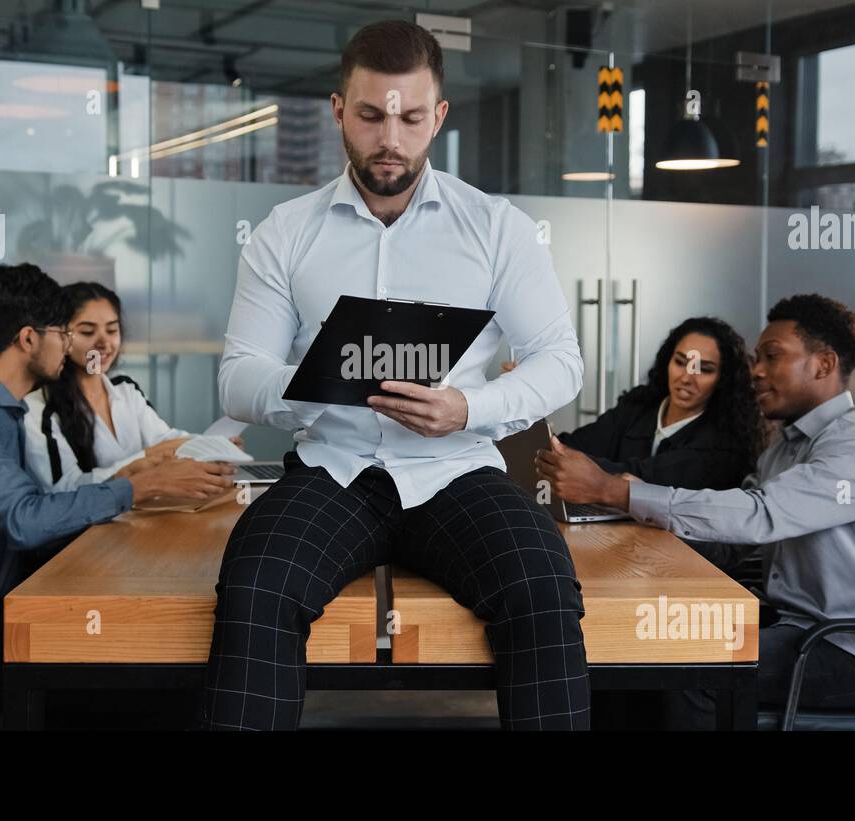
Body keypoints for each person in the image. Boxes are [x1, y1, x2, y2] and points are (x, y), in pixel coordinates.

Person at [205, 20, 589, 730]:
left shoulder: (496, 228)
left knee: (542, 580)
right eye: (372, 115)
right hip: (334, 472)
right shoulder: (285, 234)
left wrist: (467, 407)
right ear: (338, 111)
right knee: (256, 583)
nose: (391, 137)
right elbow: (236, 379)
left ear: (438, 115)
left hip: (457, 472)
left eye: (412, 117)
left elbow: (562, 360)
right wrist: (323, 381)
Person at [580, 294, 855, 727]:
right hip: (796, 628)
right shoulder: (785, 446)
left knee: (695, 672)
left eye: (772, 357)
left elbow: (758, 516)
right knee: (638, 639)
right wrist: (638, 548)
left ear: (823, 364)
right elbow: (734, 540)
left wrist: (624, 493)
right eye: (757, 358)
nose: (756, 371)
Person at [0, 264, 234, 701]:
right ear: (29, 339)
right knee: (152, 681)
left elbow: (37, 505)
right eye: (63, 331)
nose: (69, 344)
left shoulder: (0, 410)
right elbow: (24, 520)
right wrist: (141, 485)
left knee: (160, 658)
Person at [23, 282, 239, 492]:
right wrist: (145, 459)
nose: (104, 343)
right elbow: (65, 491)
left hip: (140, 514)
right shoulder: (38, 409)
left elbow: (164, 439)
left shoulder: (124, 387)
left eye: (112, 330)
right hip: (91, 526)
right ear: (62, 337)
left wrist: (213, 446)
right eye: (88, 332)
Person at [537, 316, 762, 502]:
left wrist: (571, 462)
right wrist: (533, 406)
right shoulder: (638, 407)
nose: (686, 377)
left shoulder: (722, 445)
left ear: (723, 379)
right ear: (667, 361)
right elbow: (575, 444)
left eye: (704, 369)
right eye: (681, 362)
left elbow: (643, 477)